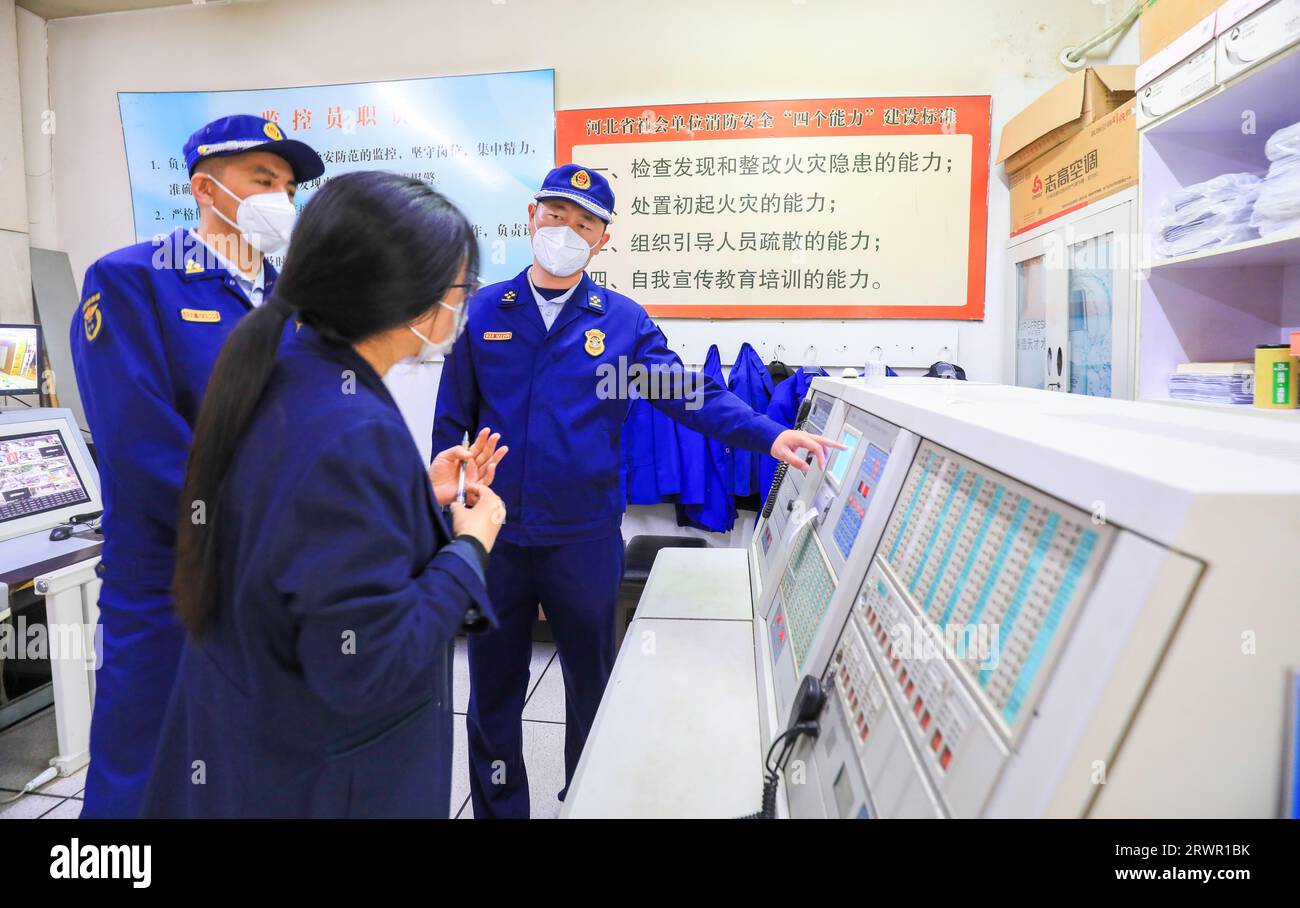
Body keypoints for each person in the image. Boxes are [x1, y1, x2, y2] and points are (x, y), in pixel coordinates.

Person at [433, 164, 843, 818]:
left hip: (584, 540)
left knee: (594, 690)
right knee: (492, 694)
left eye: (585, 223)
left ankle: (588, 800)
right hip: (497, 539)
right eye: (558, 215)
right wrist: (453, 502)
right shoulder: (484, 313)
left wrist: (768, 434)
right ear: (533, 215)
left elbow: (686, 393)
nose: (567, 231)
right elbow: (451, 423)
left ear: (603, 239)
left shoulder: (619, 324)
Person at [142, 171, 507, 817]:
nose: (463, 308)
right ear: (415, 301)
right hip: (325, 776)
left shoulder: (285, 373)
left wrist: (412, 499)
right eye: (462, 289)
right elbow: (373, 663)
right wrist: (470, 547)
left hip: (256, 731)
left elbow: (298, 532)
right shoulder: (352, 427)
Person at [70, 114, 324, 818]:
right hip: (170, 581)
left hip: (273, 579)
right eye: (263, 179)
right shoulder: (131, 281)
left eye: (290, 186)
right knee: (144, 762)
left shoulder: (296, 307)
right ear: (206, 188)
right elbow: (139, 439)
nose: (283, 198)